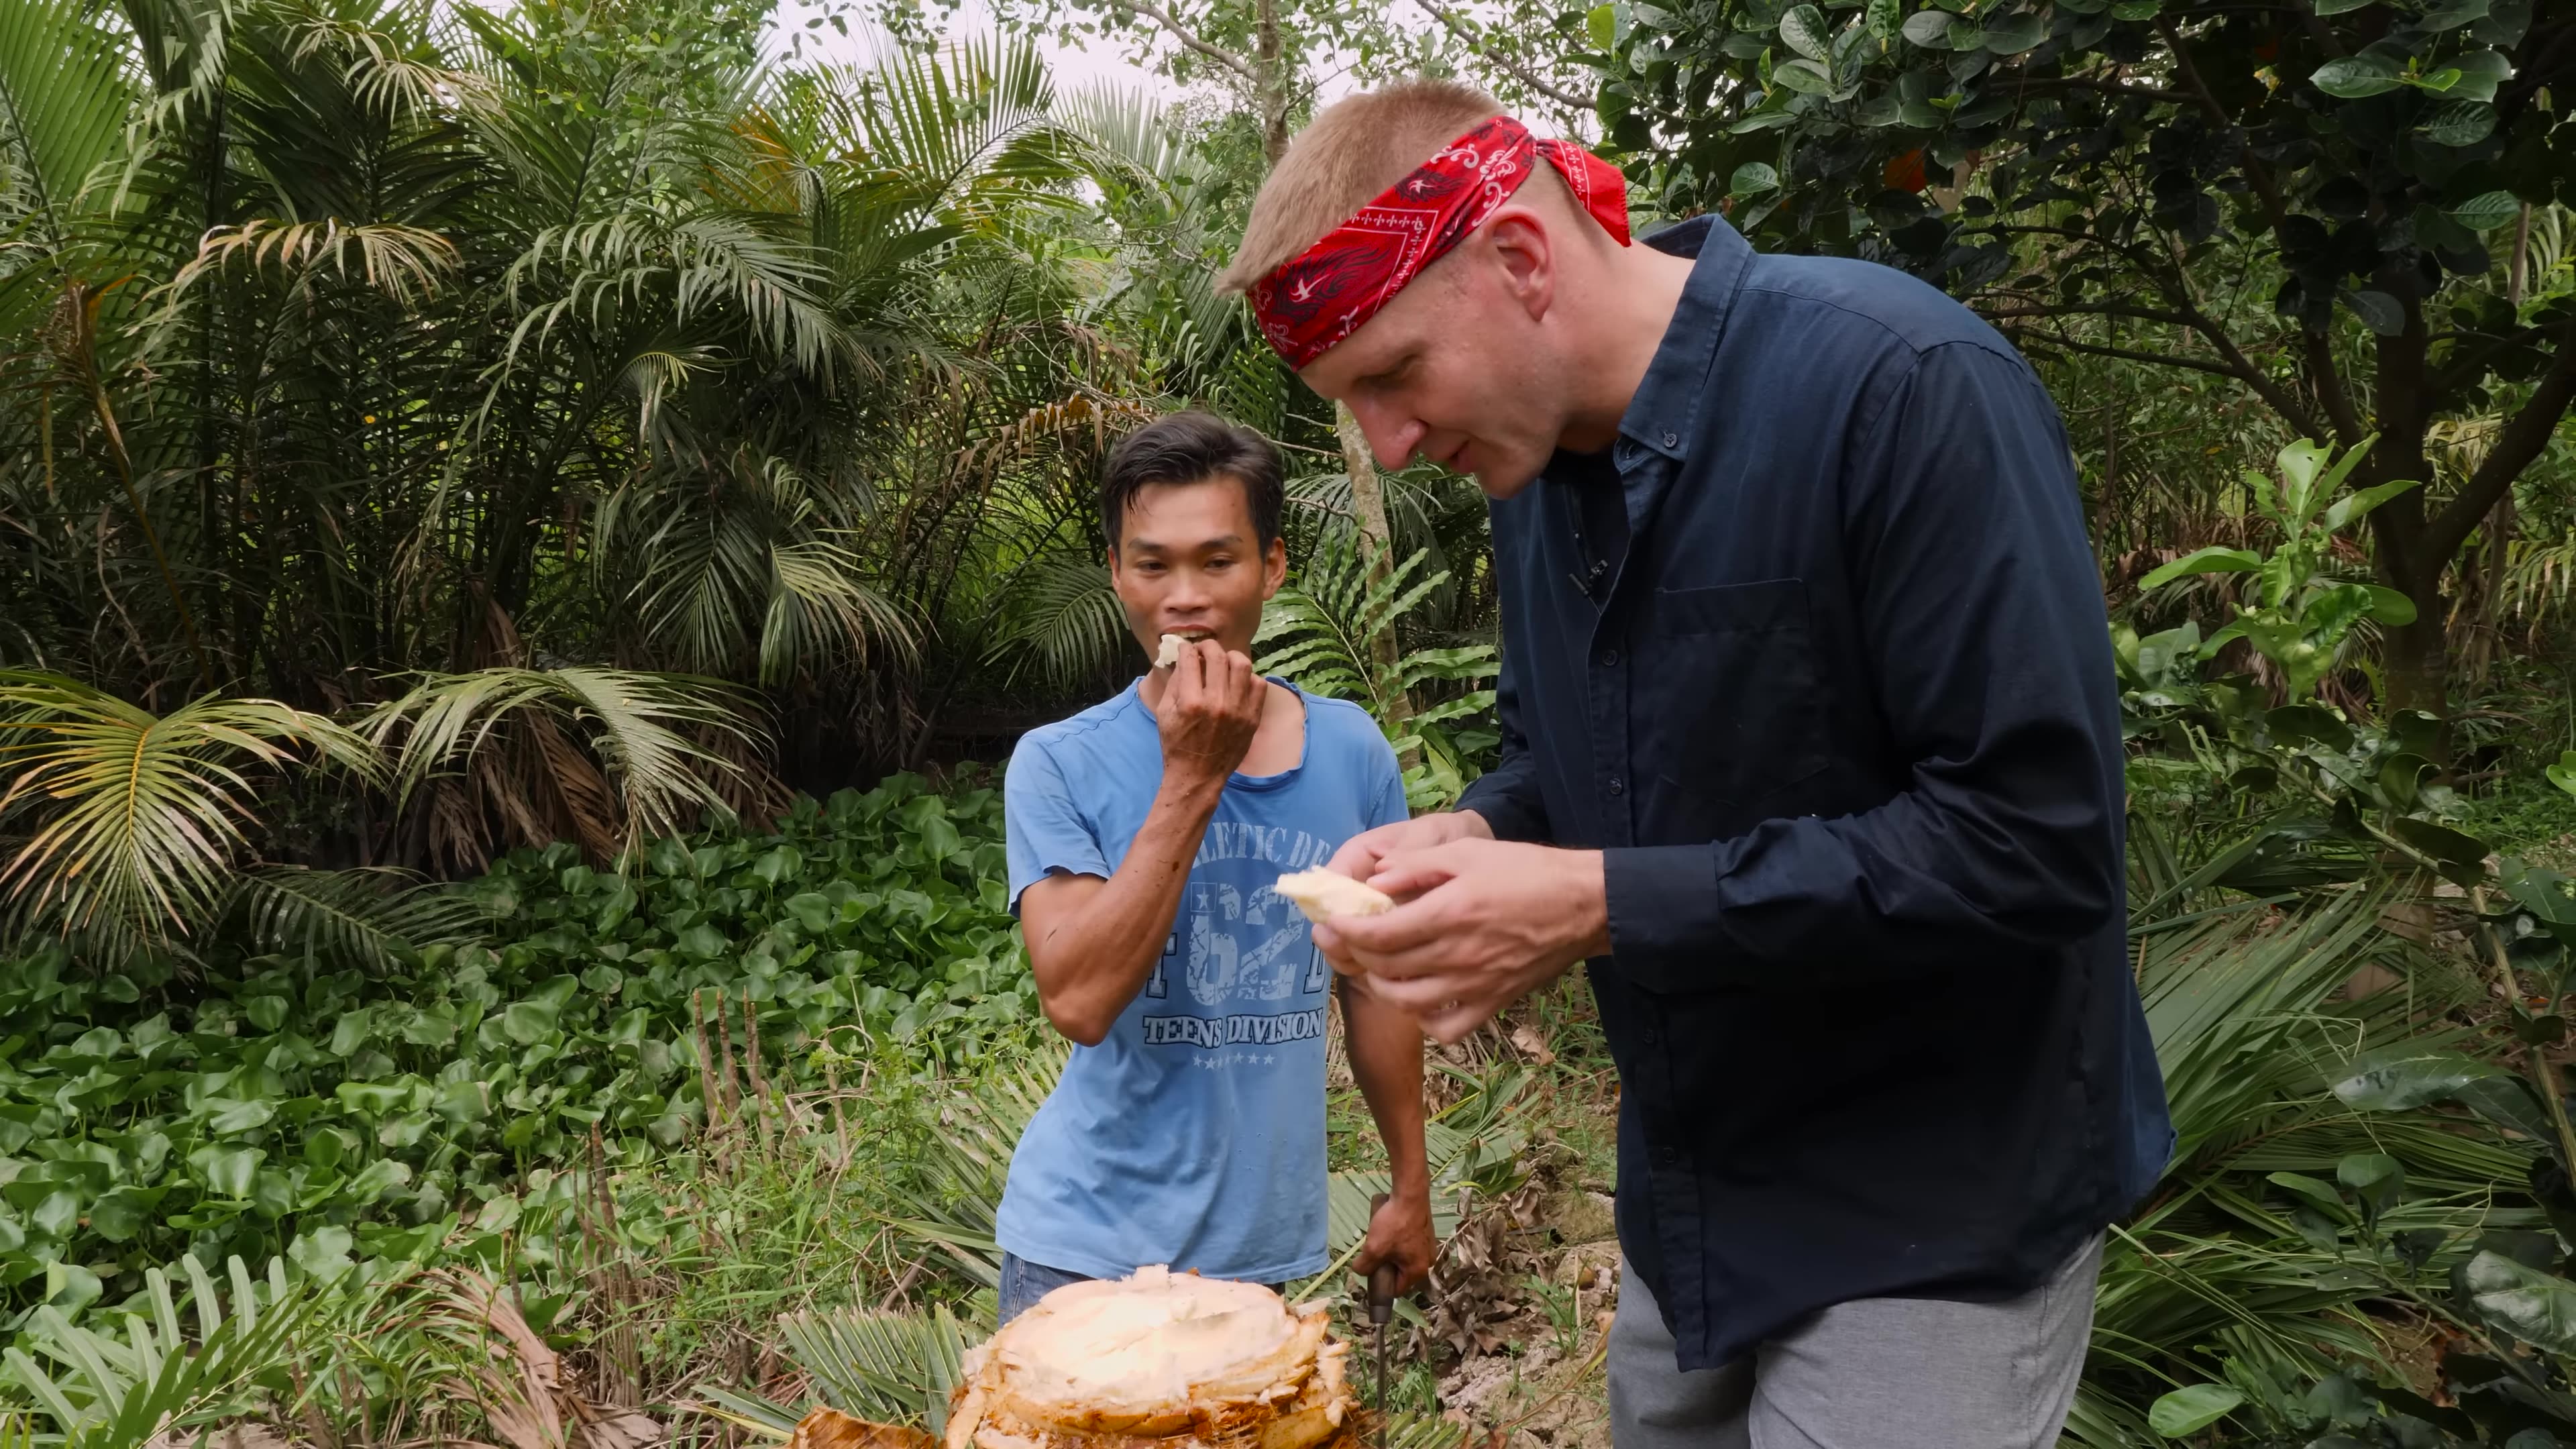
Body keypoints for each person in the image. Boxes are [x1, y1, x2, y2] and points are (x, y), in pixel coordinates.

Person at [1217, 83, 2173, 1448]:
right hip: (1695, 1206)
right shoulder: (1532, 470)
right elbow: (1559, 757)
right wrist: (1482, 834)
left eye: (1393, 375)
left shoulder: (1896, 385)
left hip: (1934, 1214)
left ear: (1522, 259)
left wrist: (1596, 903)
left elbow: (2034, 840)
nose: (1389, 445)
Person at [994, 411, 1436, 1324]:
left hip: (1256, 1258)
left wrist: (1409, 1182)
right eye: (1153, 565)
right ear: (1116, 574)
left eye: (1218, 561)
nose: (1185, 598)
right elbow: (1079, 1000)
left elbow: (1375, 985)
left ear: (1271, 567)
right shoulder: (1060, 762)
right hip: (1082, 1254)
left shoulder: (1351, 751)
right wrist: (1194, 773)